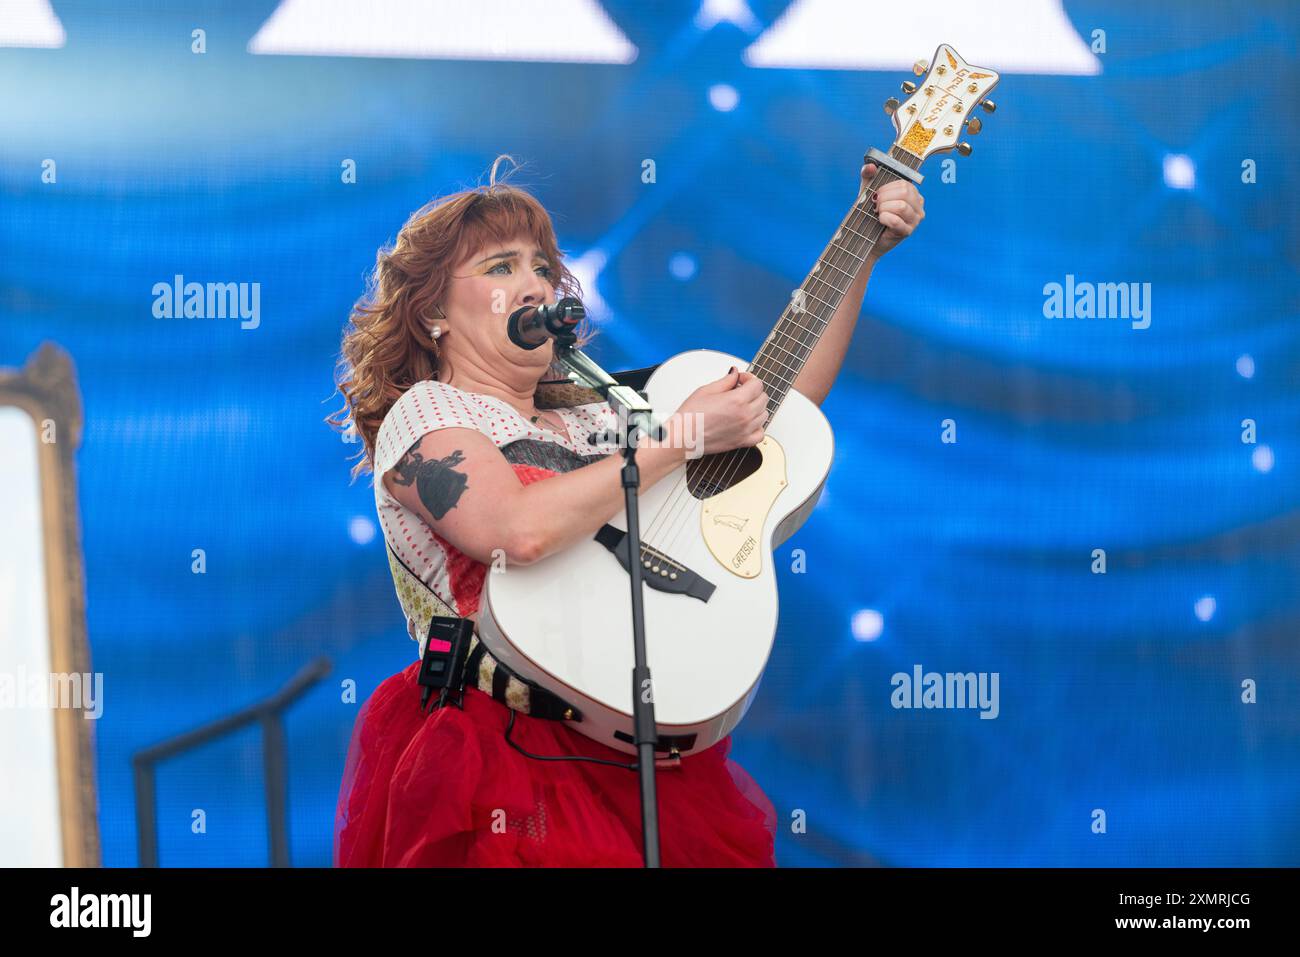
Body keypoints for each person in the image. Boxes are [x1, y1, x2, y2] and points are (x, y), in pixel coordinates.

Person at [329, 155, 923, 867]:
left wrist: (860, 250)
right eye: (498, 267)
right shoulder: (428, 414)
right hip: (501, 755)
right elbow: (518, 530)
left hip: (639, 751)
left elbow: (776, 408)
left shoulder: (602, 412)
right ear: (431, 311)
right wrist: (687, 431)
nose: (533, 282)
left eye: (542, 266)